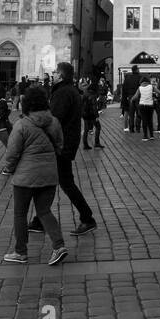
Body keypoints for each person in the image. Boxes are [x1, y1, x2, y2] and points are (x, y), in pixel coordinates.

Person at [0, 85, 69, 266]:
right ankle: (59, 245)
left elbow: (12, 152)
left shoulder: (22, 124)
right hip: (49, 174)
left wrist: (9, 168)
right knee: (44, 211)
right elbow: (60, 145)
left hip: (25, 176)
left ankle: (20, 252)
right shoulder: (53, 122)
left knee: (20, 214)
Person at [46, 62, 97, 237]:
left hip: (61, 144)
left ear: (60, 76)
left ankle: (87, 218)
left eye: (55, 72)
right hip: (66, 142)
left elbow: (54, 119)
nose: (52, 75)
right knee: (52, 180)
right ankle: (39, 219)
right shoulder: (70, 91)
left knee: (65, 182)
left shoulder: (62, 92)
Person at [79, 77, 103, 150]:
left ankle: (85, 144)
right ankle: (97, 143)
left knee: (86, 129)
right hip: (91, 114)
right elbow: (94, 106)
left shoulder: (85, 93)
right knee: (98, 127)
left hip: (85, 114)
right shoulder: (93, 95)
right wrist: (96, 116)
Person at [131, 77, 157, 141]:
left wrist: (132, 99)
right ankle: (151, 135)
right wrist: (155, 97)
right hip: (150, 105)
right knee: (150, 120)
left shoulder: (140, 88)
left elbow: (135, 97)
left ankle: (145, 136)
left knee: (144, 120)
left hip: (142, 105)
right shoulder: (151, 87)